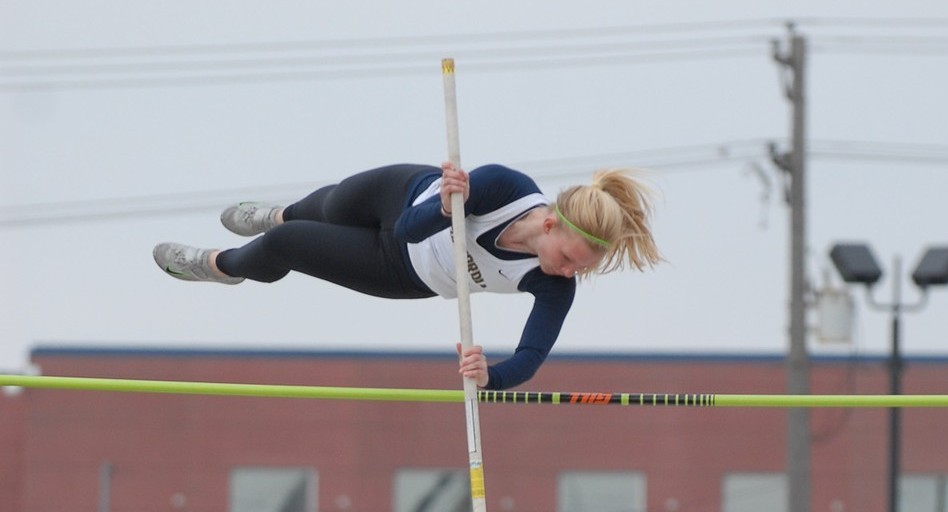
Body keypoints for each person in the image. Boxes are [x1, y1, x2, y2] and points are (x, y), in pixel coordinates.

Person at [153, 162, 662, 390]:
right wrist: (446, 202)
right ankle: (279, 213)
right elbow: (411, 226)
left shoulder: (552, 284)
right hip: (404, 198)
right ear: (549, 222)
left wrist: (491, 378)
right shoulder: (505, 187)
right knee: (324, 205)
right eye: (568, 257)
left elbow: (531, 358)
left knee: (288, 247)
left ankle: (220, 266)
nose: (569, 272)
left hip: (401, 269)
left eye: (579, 269)